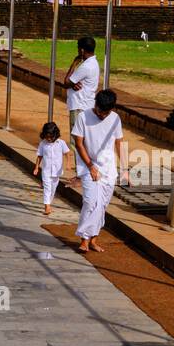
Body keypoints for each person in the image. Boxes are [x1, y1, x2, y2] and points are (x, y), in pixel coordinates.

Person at [72, 89, 124, 254]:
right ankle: (84, 240)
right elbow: (79, 144)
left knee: (102, 206)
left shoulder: (115, 118)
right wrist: (90, 166)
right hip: (89, 165)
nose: (103, 116)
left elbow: (119, 143)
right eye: (101, 112)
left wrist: (124, 168)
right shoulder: (83, 117)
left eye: (106, 113)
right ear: (95, 105)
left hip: (109, 169)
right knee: (90, 202)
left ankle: (93, 239)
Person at [33, 121, 70, 217]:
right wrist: (36, 167)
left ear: (55, 135)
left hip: (56, 171)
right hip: (46, 171)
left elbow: (67, 153)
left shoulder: (61, 143)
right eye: (47, 137)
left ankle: (49, 203)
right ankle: (47, 206)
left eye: (51, 137)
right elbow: (39, 156)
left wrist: (68, 163)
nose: (49, 139)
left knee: (53, 189)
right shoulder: (42, 144)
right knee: (47, 188)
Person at [64, 36, 99, 133]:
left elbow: (66, 82)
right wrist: (73, 84)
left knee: (76, 140)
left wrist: (74, 63)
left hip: (79, 106)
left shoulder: (86, 66)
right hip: (86, 105)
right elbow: (72, 82)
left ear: (82, 50)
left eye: (78, 49)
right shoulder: (93, 63)